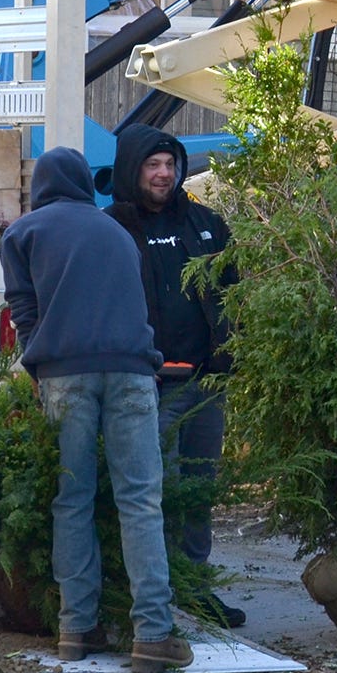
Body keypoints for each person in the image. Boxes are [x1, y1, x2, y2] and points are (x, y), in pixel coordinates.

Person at [0, 147, 192, 673]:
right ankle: (153, 635)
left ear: (40, 186)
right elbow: (139, 306)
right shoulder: (116, 232)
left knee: (73, 499)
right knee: (140, 502)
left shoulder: (24, 233)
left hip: (66, 374)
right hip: (132, 369)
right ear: (87, 184)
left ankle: (75, 627)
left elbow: (23, 311)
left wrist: (41, 366)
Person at [108, 124, 243, 628]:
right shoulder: (114, 227)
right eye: (152, 165)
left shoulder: (206, 223)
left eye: (169, 164)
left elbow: (234, 291)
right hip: (148, 387)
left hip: (206, 384)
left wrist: (230, 353)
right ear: (132, 169)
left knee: (199, 490)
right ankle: (156, 595)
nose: (163, 174)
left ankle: (195, 586)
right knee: (154, 493)